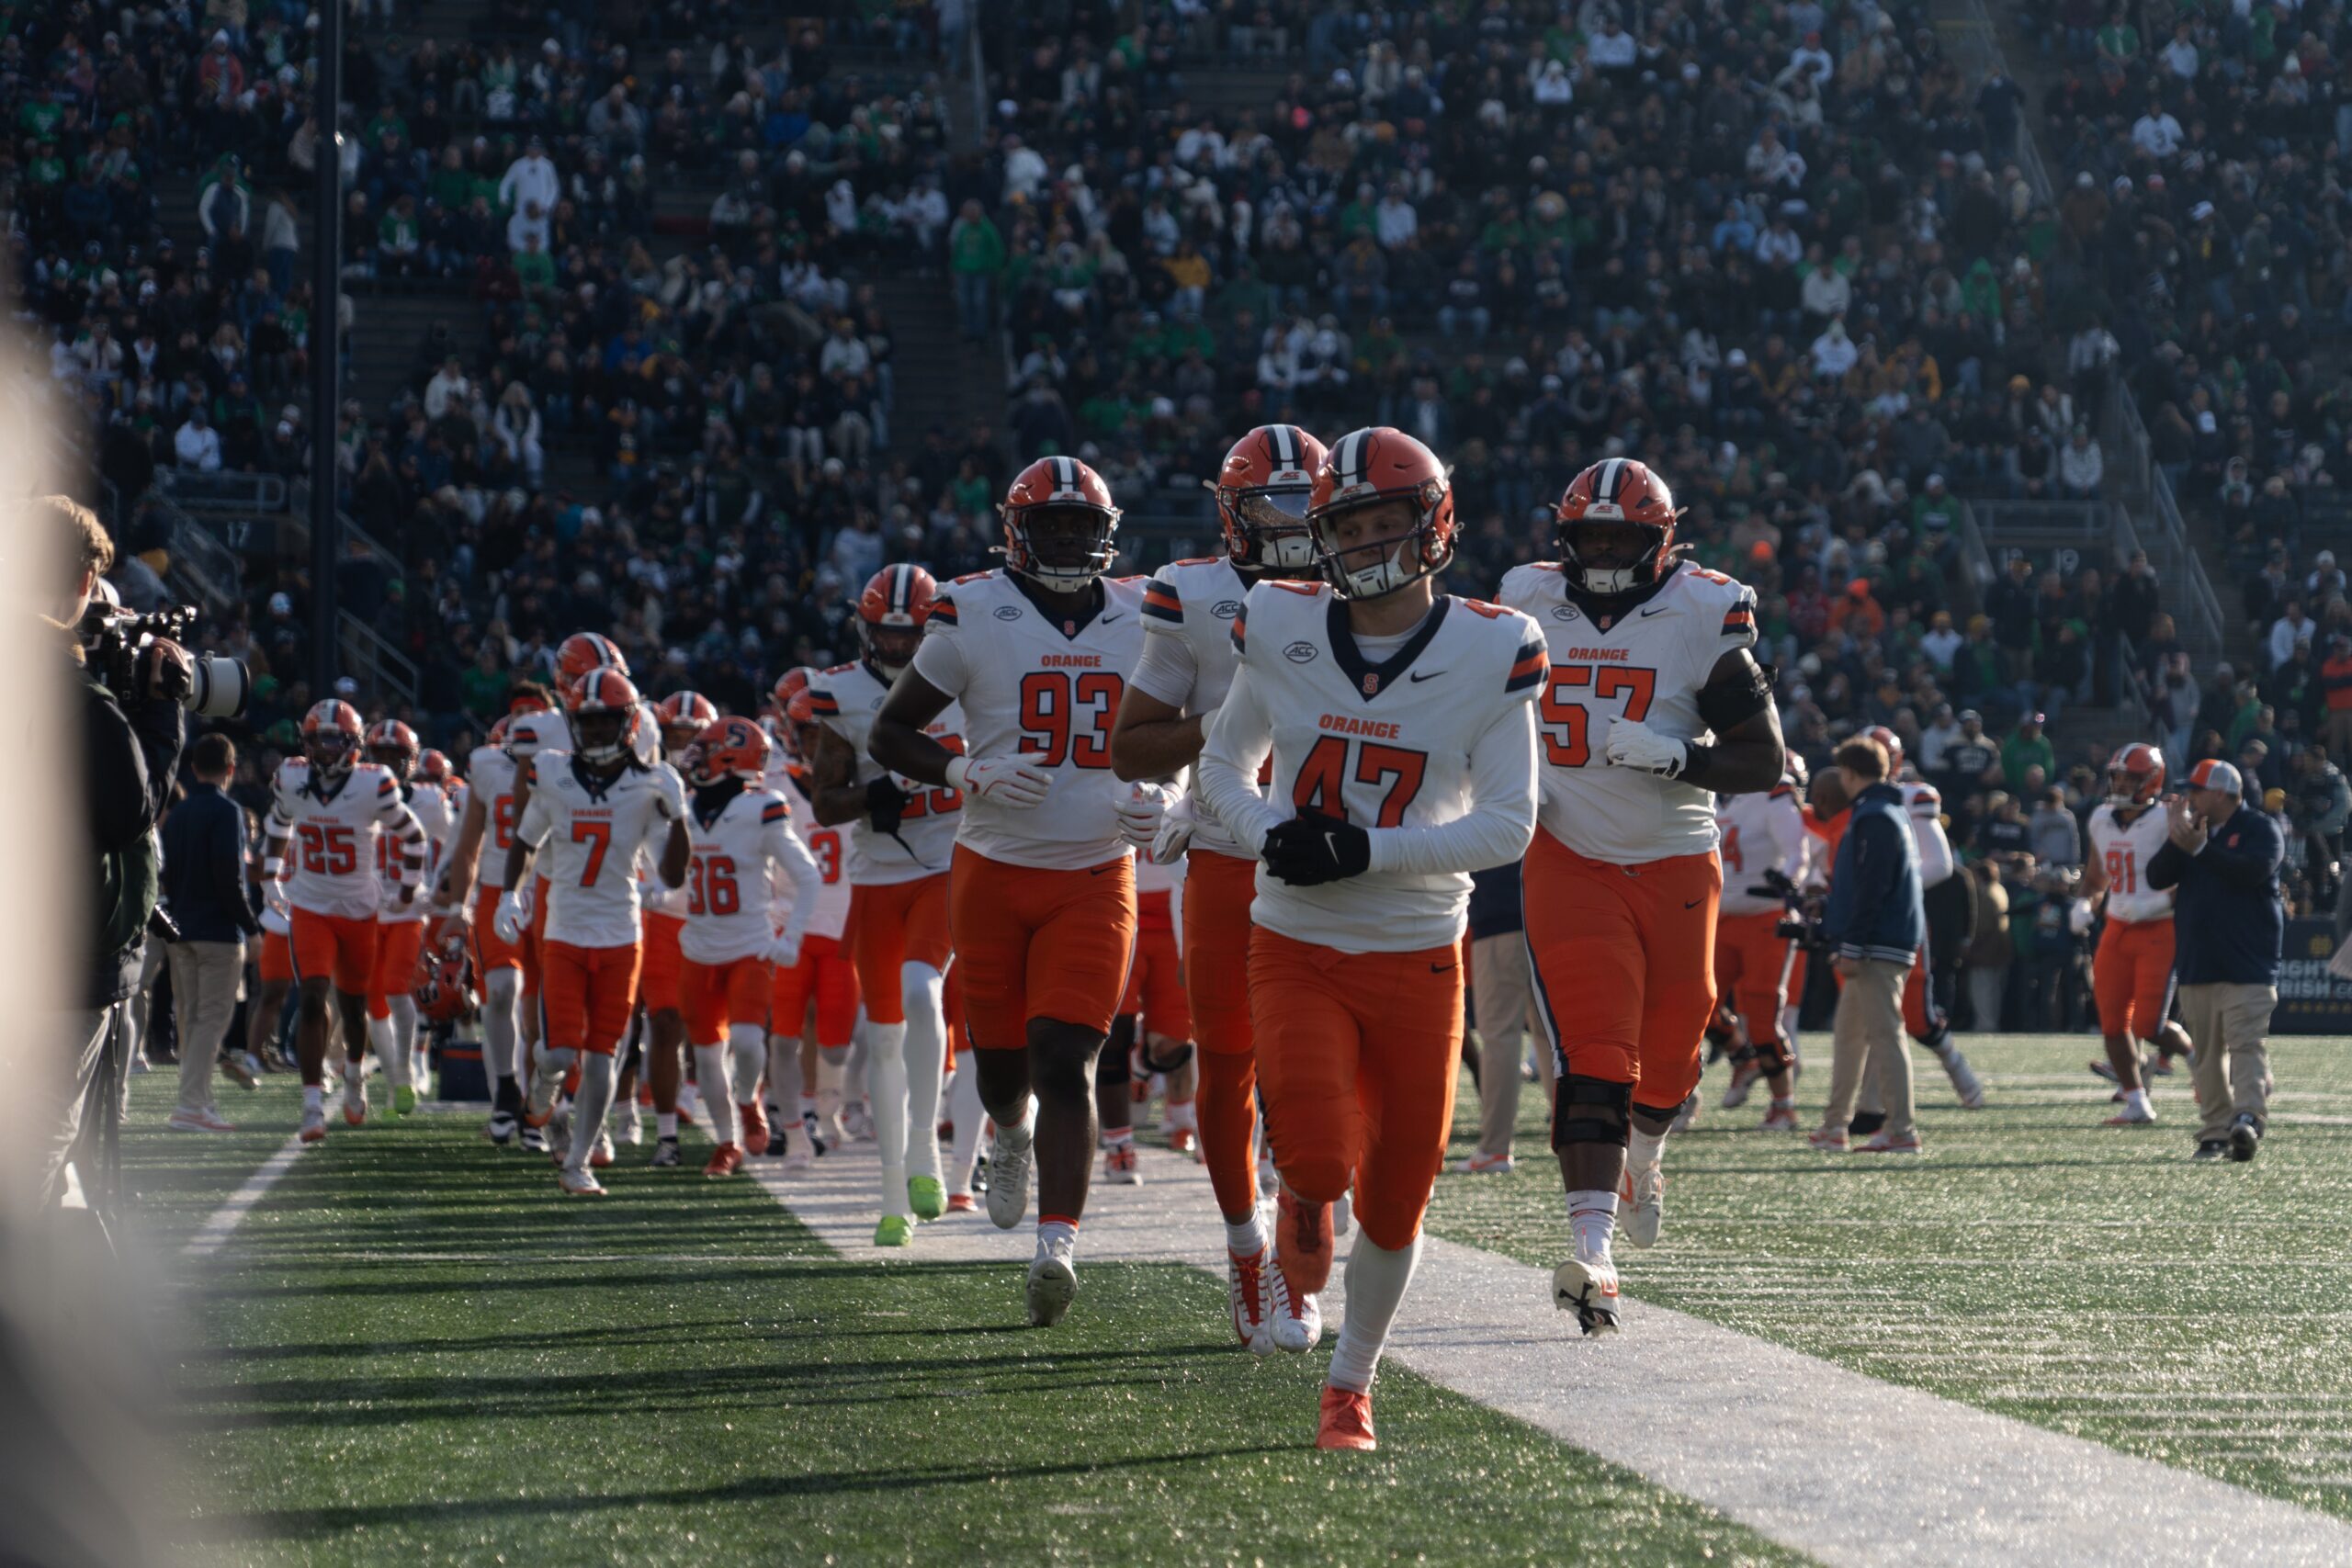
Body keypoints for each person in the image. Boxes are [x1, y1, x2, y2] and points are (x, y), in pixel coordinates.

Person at [1198, 424, 1543, 1450]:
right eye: (1348, 524)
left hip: (1418, 947)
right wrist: (1272, 834)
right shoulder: (1276, 618)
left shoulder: (1494, 644)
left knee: (1398, 1196)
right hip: (1295, 936)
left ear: (1430, 523)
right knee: (1315, 1153)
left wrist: (1368, 853)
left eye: (1385, 519)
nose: (1365, 541)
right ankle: (1302, 1196)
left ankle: (1351, 1383)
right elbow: (1222, 767)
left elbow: (1511, 824)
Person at [870, 456, 1159, 1327]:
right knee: (1003, 1071)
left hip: (1096, 870)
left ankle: (1057, 1243)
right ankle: (1008, 1132)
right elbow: (891, 732)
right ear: (1017, 534)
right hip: (992, 869)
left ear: (1105, 534)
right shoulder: (973, 609)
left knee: (1067, 1056)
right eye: (1053, 526)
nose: (1069, 540)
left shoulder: (1146, 614)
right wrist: (965, 767)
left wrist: (1166, 794)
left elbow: (1189, 730)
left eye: (1082, 526)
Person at [1500, 457, 1784, 1337]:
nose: (1609, 552)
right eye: (1594, 536)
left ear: (1663, 539)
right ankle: (1593, 1253)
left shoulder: (1703, 609)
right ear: (1567, 537)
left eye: (1626, 536)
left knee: (1672, 1051)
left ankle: (1645, 1157)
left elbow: (1763, 758)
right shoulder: (1526, 598)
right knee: (1594, 1049)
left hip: (1676, 855)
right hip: (1568, 852)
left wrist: (1679, 756)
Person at [1111, 423, 1329, 1355]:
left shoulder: (1374, 590)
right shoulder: (1191, 593)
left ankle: (1303, 1233)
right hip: (1226, 855)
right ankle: (1249, 1247)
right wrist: (1195, 765)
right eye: (1266, 507)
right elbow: (1134, 740)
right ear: (1229, 514)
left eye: (1301, 505)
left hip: (1337, 853)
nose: (1285, 526)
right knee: (1229, 1059)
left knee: (1321, 1067)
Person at [805, 566, 967, 1242]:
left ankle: (927, 1147)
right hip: (877, 877)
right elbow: (824, 801)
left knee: (922, 992)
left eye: (909, 637)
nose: (898, 649)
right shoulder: (839, 690)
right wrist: (870, 797)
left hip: (945, 866)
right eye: (887, 636)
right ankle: (893, 1198)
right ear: (866, 630)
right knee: (884, 1037)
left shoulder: (963, 676)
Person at [44, 496, 187, 1206]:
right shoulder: (70, 692)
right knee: (46, 1146)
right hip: (62, 960)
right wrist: (161, 715)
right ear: (80, 585)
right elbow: (131, 811)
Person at [498, 668, 689, 1195]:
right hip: (563, 930)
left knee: (605, 1054)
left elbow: (671, 875)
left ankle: (577, 1161)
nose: (597, 732)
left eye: (607, 722)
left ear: (628, 724)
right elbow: (525, 840)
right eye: (588, 723)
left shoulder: (649, 784)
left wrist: (680, 817)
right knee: (558, 1054)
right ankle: (542, 1087)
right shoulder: (555, 775)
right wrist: (509, 893)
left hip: (621, 935)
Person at [262, 701, 426, 1144]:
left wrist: (408, 890)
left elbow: (414, 836)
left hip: (358, 909)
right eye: (319, 740)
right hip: (311, 905)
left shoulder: (375, 784)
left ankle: (354, 1074)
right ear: (306, 742)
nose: (327, 749)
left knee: (355, 1009)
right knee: (313, 997)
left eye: (336, 739)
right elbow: (278, 823)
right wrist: (268, 877)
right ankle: (312, 1103)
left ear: (354, 745)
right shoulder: (292, 778)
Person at [674, 715, 820, 1179]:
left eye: (708, 748)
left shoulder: (763, 808)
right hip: (697, 945)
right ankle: (725, 1141)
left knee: (749, 1042)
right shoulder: (687, 806)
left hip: (749, 946)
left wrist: (792, 935)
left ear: (731, 757)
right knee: (706, 1055)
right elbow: (678, 877)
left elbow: (807, 875)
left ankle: (747, 1100)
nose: (696, 757)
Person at [434, 686, 556, 1144]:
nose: (526, 720)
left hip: (550, 892)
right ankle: (505, 1093)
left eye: (535, 713)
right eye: (518, 712)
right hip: (497, 890)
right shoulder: (487, 765)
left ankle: (537, 1105)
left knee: (542, 1016)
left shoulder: (566, 765)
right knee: (502, 990)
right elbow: (468, 845)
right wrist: (456, 909)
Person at [2146, 760, 2285, 1163]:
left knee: (2245, 1043)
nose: (2189, 797)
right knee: (2207, 1052)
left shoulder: (2261, 828)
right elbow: (2156, 877)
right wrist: (2177, 840)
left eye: (2197, 790)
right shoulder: (2192, 832)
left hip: (2247, 961)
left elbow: (2250, 873)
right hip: (2199, 959)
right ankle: (2215, 1131)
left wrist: (2201, 849)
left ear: (2223, 793)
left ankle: (2248, 1118)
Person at [1809, 737, 1926, 1154]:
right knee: (1850, 1036)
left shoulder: (1874, 815)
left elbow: (1871, 887)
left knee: (1884, 1035)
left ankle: (1900, 1129)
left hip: (1877, 943)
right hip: (1879, 940)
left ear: (1851, 774)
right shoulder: (1885, 810)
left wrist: (1853, 942)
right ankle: (1834, 1124)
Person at [2080, 744, 2189, 1125]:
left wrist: (2157, 904)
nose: (2121, 783)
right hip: (2117, 927)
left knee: (2149, 1025)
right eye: (2117, 776)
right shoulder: (2100, 818)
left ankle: (2199, 1061)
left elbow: (2191, 877)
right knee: (2111, 1021)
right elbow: (2096, 878)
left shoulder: (2167, 818)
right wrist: (2085, 904)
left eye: (2130, 777)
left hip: (2160, 928)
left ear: (2151, 781)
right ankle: (2136, 1100)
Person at [159, 732, 261, 1132]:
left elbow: (168, 872)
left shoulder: (179, 813)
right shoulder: (228, 811)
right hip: (218, 931)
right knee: (210, 1021)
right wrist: (251, 927)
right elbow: (229, 877)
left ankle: (198, 1100)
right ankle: (191, 1105)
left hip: (181, 929)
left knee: (190, 1019)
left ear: (195, 768)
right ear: (231, 770)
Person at [1712, 764, 1809, 1130]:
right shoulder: (1721, 793)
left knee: (1764, 1015)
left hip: (1765, 918)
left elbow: (1797, 851)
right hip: (1720, 919)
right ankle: (1742, 1056)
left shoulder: (1773, 790)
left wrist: (1786, 883)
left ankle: (1784, 1105)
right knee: (1698, 1005)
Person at [363, 720, 450, 1115]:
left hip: (408, 909)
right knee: (373, 999)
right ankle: (398, 1076)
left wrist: (439, 886)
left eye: (393, 756)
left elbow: (462, 842)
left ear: (410, 761)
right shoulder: (357, 792)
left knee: (397, 989)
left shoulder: (429, 801)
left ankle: (405, 1069)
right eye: (378, 755)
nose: (386, 763)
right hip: (365, 908)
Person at [1458, 859, 1555, 1166]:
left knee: (1500, 1035)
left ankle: (1496, 1146)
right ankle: (1570, 1135)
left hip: (1500, 911)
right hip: (1550, 912)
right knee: (1550, 1033)